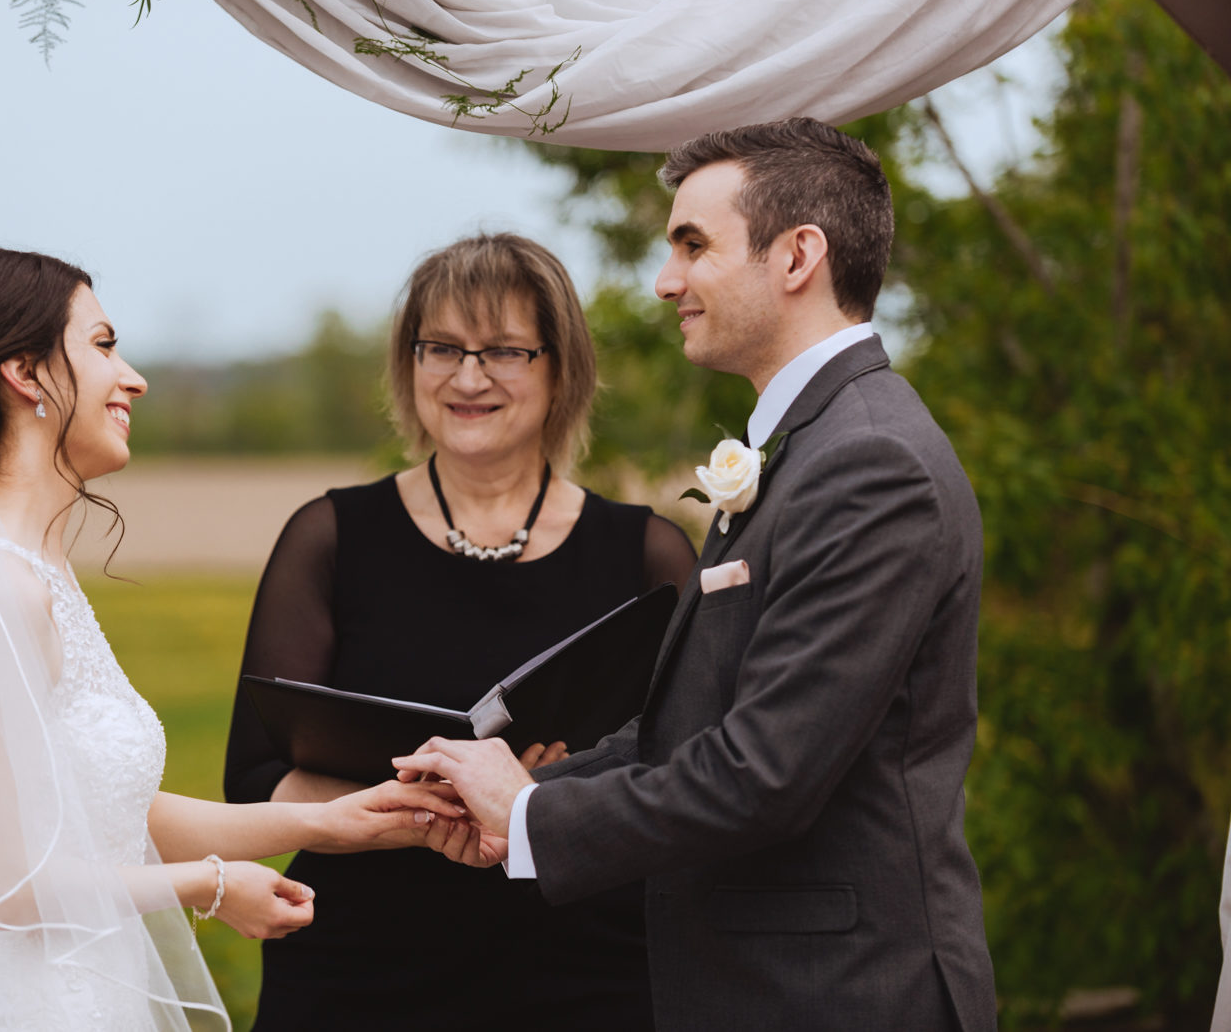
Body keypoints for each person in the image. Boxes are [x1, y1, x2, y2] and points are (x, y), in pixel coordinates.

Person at [394, 120, 998, 1031]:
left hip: (845, 997)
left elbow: (764, 772)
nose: (666, 280)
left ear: (798, 256)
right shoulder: (816, 446)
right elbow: (693, 729)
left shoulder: (871, 462)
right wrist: (516, 799)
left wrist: (530, 819)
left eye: (692, 246)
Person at [0, 247, 456, 1032]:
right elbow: (0, 887)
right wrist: (208, 885)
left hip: (89, 993)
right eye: (103, 346)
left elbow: (104, 813)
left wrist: (326, 822)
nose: (132, 377)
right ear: (26, 373)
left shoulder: (34, 574)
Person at [222, 232, 698, 1031]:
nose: (468, 377)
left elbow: (696, 775)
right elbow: (254, 781)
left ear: (561, 367)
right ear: (409, 365)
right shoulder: (333, 537)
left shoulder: (648, 555)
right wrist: (428, 808)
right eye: (441, 347)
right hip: (358, 976)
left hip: (590, 972)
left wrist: (558, 790)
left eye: (505, 351)